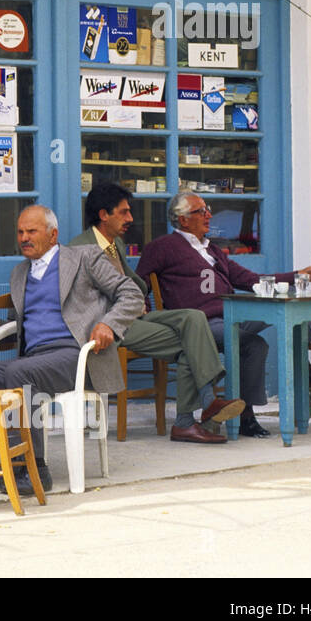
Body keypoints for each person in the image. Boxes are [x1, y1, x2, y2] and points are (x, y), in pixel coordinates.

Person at [0, 205, 144, 494]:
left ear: (53, 234)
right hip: (36, 360)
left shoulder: (84, 258)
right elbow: (32, 320)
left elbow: (132, 293)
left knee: (20, 372)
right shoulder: (20, 273)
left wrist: (109, 324)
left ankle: (34, 468)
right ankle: (10, 454)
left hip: (77, 356)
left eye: (32, 231)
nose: (24, 237)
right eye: (20, 232)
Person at [136, 191, 311, 438]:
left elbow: (250, 280)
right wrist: (145, 310)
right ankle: (246, 416)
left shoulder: (213, 251)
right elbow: (138, 284)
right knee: (254, 345)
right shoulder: (162, 248)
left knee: (286, 307)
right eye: (201, 211)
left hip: (232, 314)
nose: (209, 215)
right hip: (201, 323)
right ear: (182, 219)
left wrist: (297, 275)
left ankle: (306, 360)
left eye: (208, 209)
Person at [68, 184, 243, 444]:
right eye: (124, 212)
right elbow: (59, 292)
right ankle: (191, 418)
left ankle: (202, 409)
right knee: (189, 346)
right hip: (108, 325)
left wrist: (140, 297)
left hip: (133, 315)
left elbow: (129, 280)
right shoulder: (79, 248)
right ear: (104, 214)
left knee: (193, 318)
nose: (131, 219)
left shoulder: (114, 243)